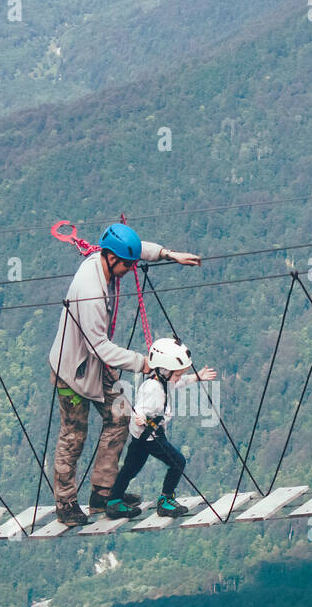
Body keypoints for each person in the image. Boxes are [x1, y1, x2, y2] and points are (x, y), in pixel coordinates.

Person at [48, 222, 200, 526]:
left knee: (120, 419)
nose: (132, 269)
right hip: (72, 371)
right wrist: (143, 363)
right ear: (112, 258)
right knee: (73, 436)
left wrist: (169, 255)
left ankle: (103, 492)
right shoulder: (90, 292)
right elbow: (100, 347)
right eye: (128, 265)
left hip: (97, 368)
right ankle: (65, 504)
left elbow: (137, 248)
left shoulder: (109, 257)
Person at [105, 337, 217, 519]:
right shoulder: (153, 388)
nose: (179, 378)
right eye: (177, 374)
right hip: (151, 437)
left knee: (131, 468)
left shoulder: (164, 381)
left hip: (143, 436)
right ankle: (165, 500)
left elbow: (180, 382)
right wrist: (139, 417)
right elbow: (140, 408)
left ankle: (114, 502)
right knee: (177, 462)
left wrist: (197, 377)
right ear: (165, 370)